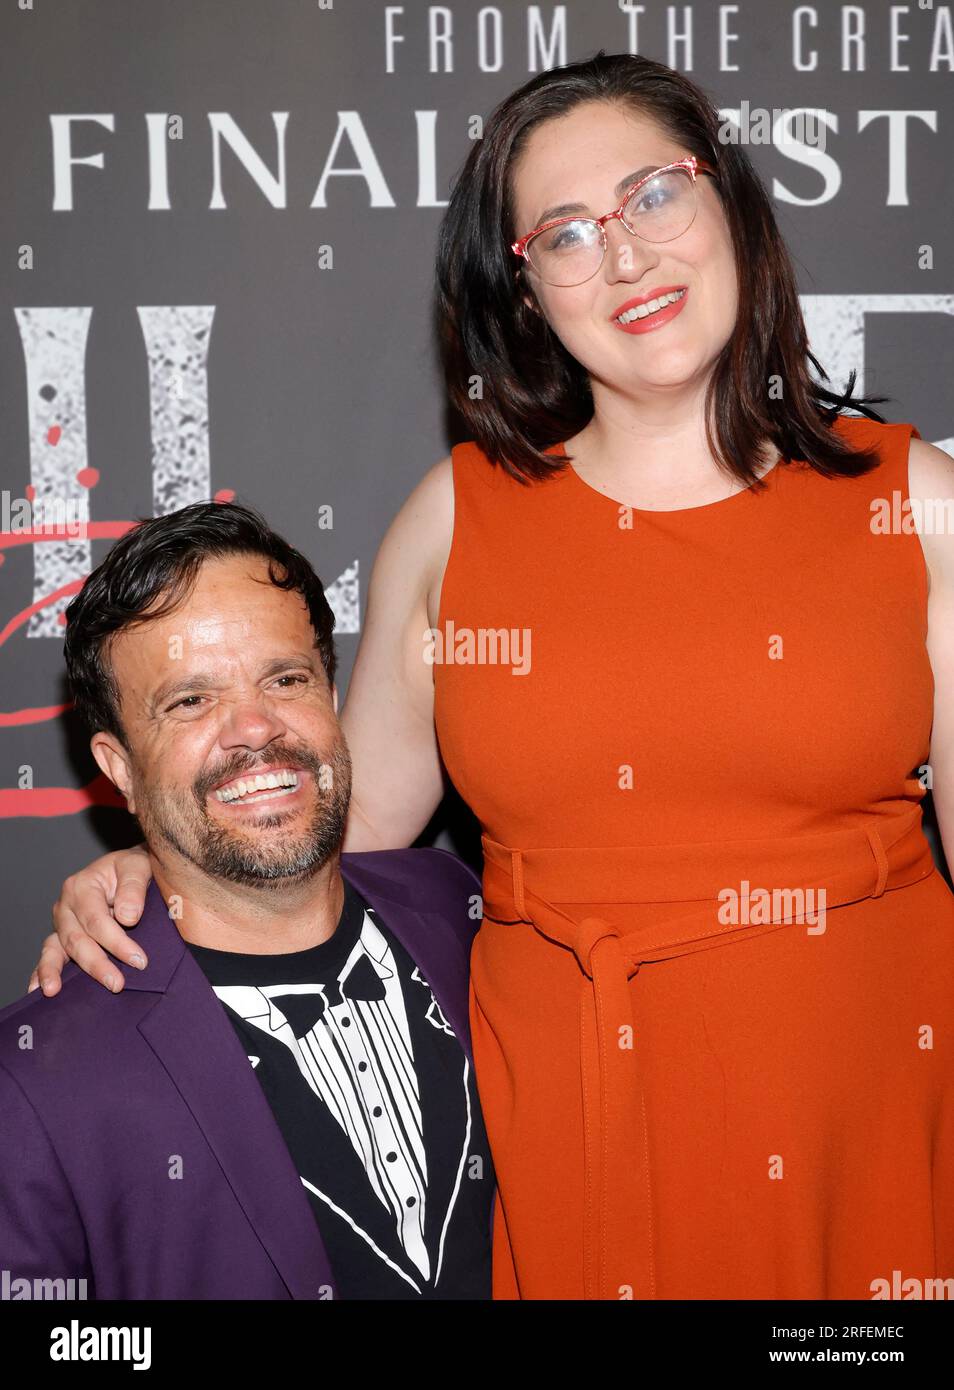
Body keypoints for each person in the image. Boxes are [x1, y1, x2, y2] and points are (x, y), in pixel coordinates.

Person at [31, 52, 954, 1300]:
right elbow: (332, 840)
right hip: (572, 1138)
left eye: (654, 196)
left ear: (729, 202)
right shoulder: (457, 524)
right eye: (564, 233)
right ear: (524, 295)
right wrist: (163, 859)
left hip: (872, 1126)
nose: (624, 256)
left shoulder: (919, 507)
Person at [2, 501, 493, 1300]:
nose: (256, 728)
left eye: (286, 678)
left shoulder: (462, 914)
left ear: (333, 697)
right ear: (118, 766)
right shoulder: (31, 1079)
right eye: (190, 701)